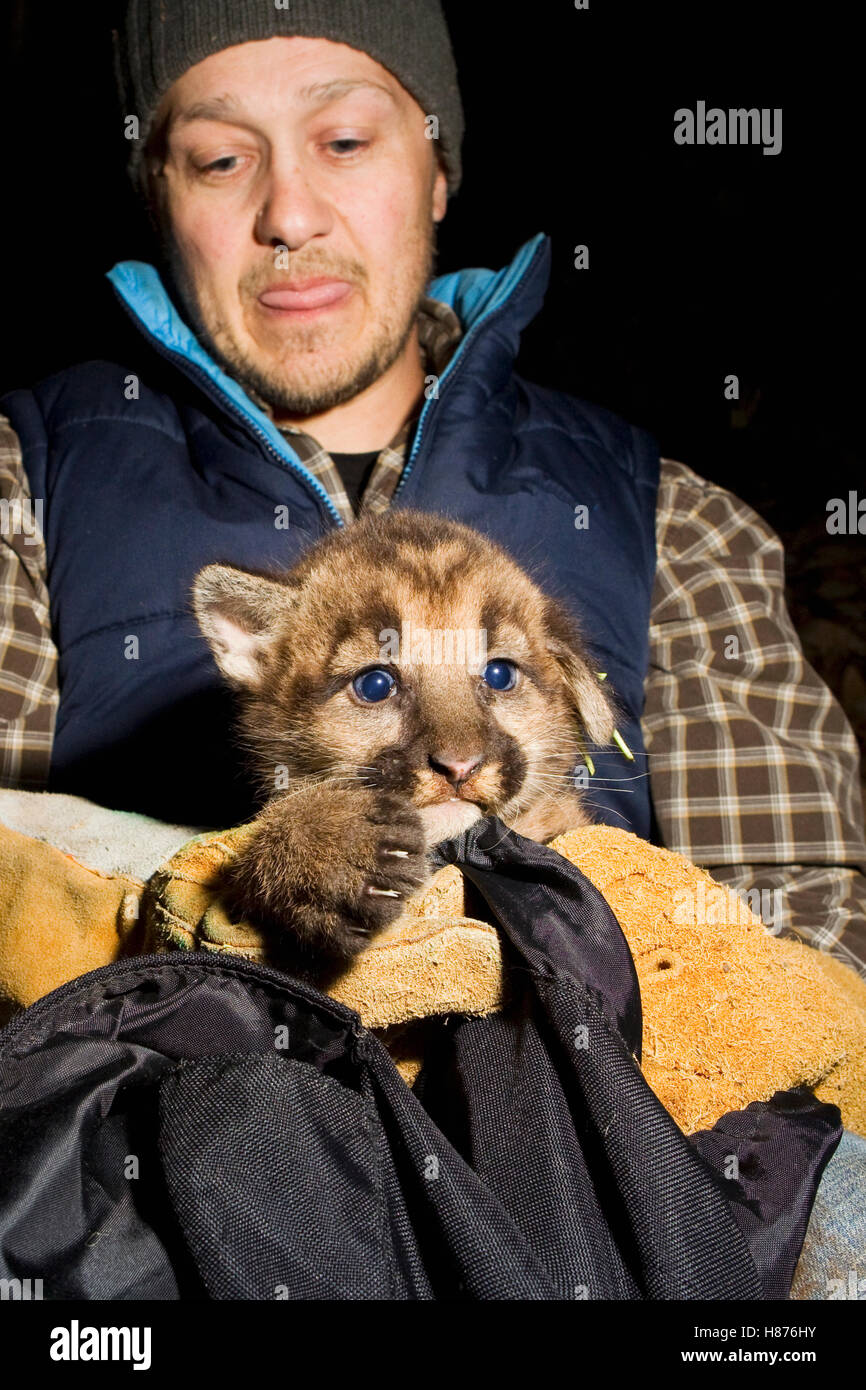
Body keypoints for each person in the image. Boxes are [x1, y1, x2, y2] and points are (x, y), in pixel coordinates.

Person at [0, 0, 863, 1295]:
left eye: (343, 138)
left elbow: (808, 944)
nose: (289, 211)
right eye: (223, 155)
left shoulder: (665, 512)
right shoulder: (26, 480)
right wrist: (233, 916)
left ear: (438, 164)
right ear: (156, 186)